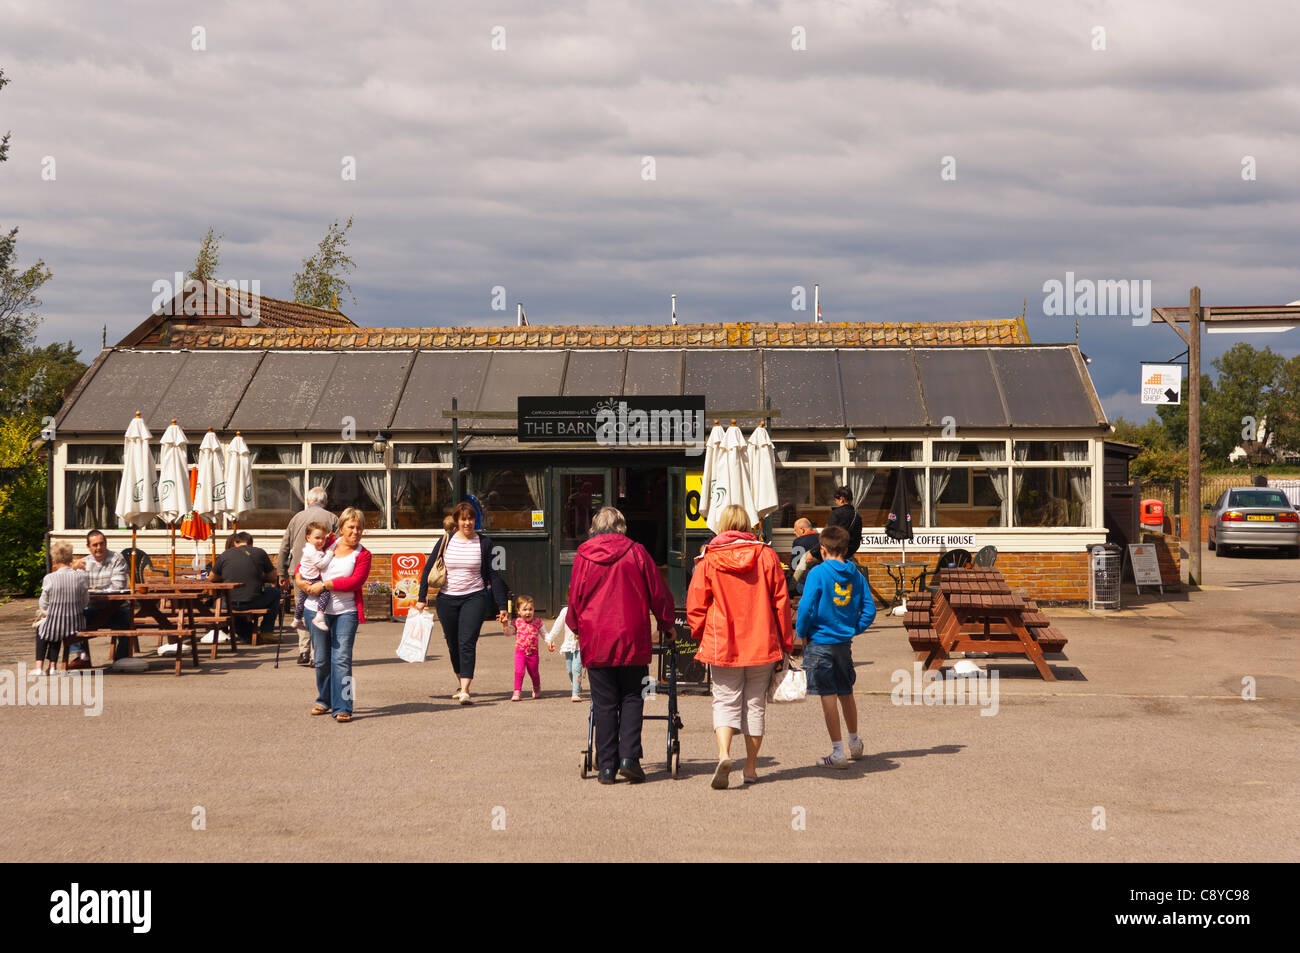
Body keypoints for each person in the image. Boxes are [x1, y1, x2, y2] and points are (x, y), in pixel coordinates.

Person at [687, 504, 793, 788]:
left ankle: (724, 753)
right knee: (755, 704)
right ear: (748, 525)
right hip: (761, 640)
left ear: (721, 525)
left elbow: (696, 604)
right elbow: (781, 602)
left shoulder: (709, 558)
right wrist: (786, 641)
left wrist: (700, 634)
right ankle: (750, 767)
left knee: (725, 700)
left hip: (722, 641)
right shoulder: (766, 555)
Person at [568, 506, 676, 785]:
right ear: (622, 527)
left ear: (594, 527)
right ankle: (629, 758)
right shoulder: (637, 552)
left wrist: (576, 627)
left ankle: (606, 767)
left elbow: (575, 597)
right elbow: (658, 592)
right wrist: (666, 624)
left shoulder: (583, 555)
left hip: (597, 638)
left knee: (604, 703)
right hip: (631, 637)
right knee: (632, 697)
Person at [795, 524, 876, 768]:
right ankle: (854, 741)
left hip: (820, 641)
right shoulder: (856, 575)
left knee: (827, 694)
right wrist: (854, 628)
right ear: (846, 549)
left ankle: (838, 751)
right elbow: (869, 610)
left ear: (822, 549)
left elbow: (805, 607)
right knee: (846, 691)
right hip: (843, 643)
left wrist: (801, 632)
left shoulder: (817, 574)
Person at [415, 502, 508, 706]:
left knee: (467, 642)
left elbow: (494, 575)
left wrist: (502, 606)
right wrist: (422, 598)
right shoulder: (446, 540)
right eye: (463, 519)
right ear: (456, 521)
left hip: (475, 597)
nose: (467, 523)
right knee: (453, 643)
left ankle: (465, 689)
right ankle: (460, 681)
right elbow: (428, 569)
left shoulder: (484, 543)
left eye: (471, 518)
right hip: (447, 599)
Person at [297, 507, 372, 723]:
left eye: (359, 528)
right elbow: (304, 564)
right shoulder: (327, 542)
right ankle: (324, 699)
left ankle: (344, 705)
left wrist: (325, 584)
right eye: (351, 527)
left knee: (342, 660)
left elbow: (355, 581)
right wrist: (300, 580)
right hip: (315, 609)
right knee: (321, 660)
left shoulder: (363, 554)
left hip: (345, 611)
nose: (355, 531)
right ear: (341, 528)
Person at [276, 487, 338, 666]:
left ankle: (303, 651)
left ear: (308, 501)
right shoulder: (332, 518)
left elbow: (284, 547)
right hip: (322, 573)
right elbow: (339, 545)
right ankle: (316, 654)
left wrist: (281, 572)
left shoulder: (296, 518)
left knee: (302, 608)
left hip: (299, 572)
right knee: (320, 610)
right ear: (325, 502)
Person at [211, 532, 279, 642]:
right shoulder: (260, 552)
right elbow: (273, 577)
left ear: (235, 542)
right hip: (254, 602)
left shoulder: (225, 554)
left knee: (216, 603)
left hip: (228, 604)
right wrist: (259, 576)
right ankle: (266, 631)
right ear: (251, 543)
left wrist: (226, 576)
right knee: (275, 592)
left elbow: (212, 577)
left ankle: (235, 632)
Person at [77, 529, 130, 665]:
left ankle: (121, 660)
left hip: (116, 608)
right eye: (95, 545)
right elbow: (77, 589)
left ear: (106, 543)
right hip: (91, 609)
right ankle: (82, 657)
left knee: (127, 621)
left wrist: (93, 591)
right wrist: (72, 569)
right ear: (88, 547)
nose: (99, 547)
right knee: (71, 620)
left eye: (101, 543)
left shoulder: (117, 559)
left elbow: (117, 587)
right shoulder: (83, 563)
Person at [37, 542, 89, 675]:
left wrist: (51, 612)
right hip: (77, 624)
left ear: (54, 560)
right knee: (55, 625)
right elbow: (85, 602)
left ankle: (40, 667)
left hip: (55, 624)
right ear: (71, 559)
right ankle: (52, 666)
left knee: (46, 626)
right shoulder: (81, 577)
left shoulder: (49, 578)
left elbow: (43, 604)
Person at [297, 523, 337, 632]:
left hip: (306, 577)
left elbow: (320, 541)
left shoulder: (313, 547)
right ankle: (319, 615)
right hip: (312, 579)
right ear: (308, 538)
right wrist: (329, 554)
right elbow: (320, 564)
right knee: (325, 593)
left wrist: (327, 538)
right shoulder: (312, 550)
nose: (321, 541)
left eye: (323, 538)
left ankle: (297, 619)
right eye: (317, 538)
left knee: (301, 600)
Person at [509, 594, 544, 702]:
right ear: (518, 611)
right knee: (519, 672)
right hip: (520, 652)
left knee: (534, 673)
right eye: (524, 610)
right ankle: (517, 691)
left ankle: (536, 687)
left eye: (530, 609)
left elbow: (544, 633)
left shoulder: (537, 622)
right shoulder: (516, 622)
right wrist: (505, 625)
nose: (528, 612)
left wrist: (549, 641)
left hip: (533, 653)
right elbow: (508, 633)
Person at [544, 606, 583, 701]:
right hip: (568, 645)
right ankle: (576, 684)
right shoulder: (566, 611)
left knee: (576, 669)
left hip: (581, 645)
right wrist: (550, 639)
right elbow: (557, 626)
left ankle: (575, 693)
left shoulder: (585, 609)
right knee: (570, 670)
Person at [827, 486, 863, 558]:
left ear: (841, 499)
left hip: (836, 552)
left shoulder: (836, 513)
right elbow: (857, 538)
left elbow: (829, 535)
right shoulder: (857, 516)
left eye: (836, 500)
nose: (836, 502)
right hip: (850, 552)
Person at [789, 517, 821, 596]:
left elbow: (794, 566)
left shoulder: (798, 541)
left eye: (795, 530)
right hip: (822, 580)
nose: (794, 532)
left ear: (802, 530)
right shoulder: (822, 539)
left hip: (805, 583)